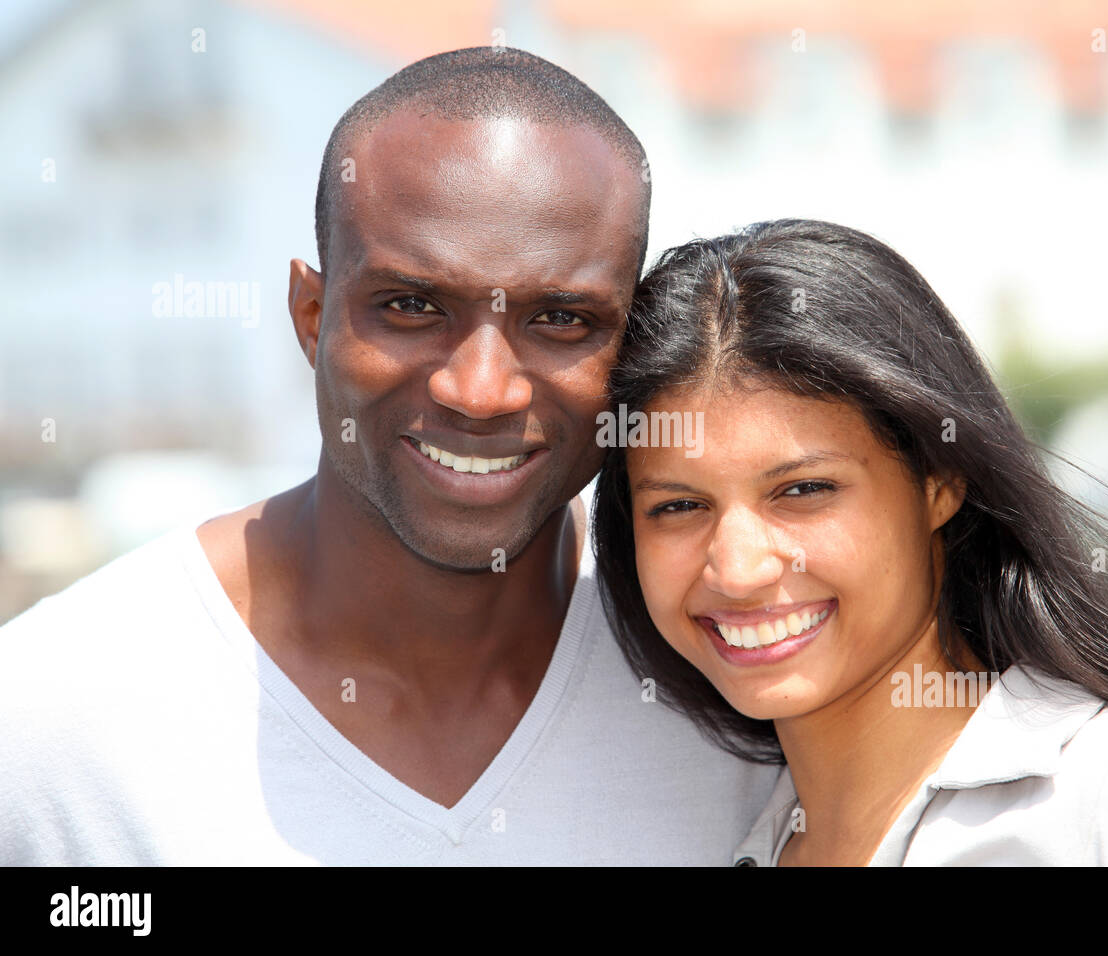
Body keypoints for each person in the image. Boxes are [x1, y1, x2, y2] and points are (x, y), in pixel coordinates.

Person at [0, 48, 778, 865]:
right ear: (311, 315)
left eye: (560, 320)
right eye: (411, 306)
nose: (481, 391)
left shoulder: (743, 693)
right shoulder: (51, 717)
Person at [592, 218, 1108, 866]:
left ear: (939, 479)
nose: (738, 569)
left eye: (803, 490)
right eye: (679, 506)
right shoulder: (728, 841)